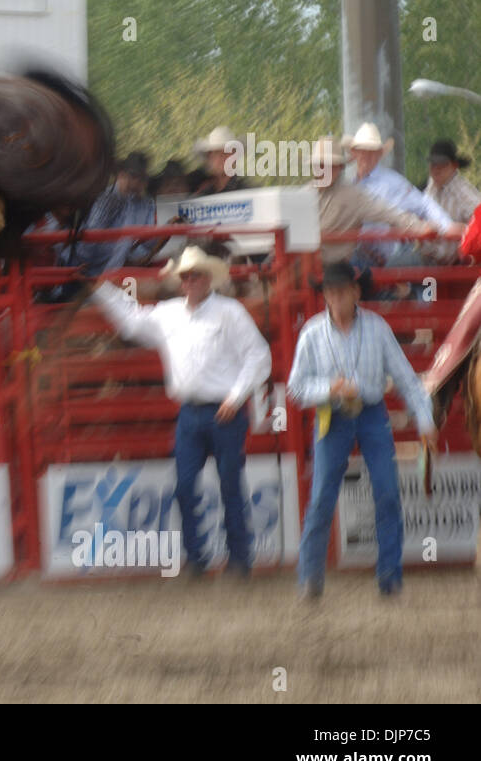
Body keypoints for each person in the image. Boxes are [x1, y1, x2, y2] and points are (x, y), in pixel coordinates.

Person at [90, 246, 272, 577]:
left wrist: (235, 397)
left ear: (208, 279)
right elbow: (132, 322)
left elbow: (258, 355)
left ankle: (239, 559)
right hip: (191, 411)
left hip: (223, 410)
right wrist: (101, 290)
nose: (191, 281)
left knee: (229, 484)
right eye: (186, 276)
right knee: (185, 486)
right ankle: (198, 557)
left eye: (196, 275)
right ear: (181, 281)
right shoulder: (169, 313)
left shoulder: (229, 312)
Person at [288, 261, 438, 599]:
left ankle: (390, 576)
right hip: (333, 413)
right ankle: (309, 578)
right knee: (322, 497)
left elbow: (406, 380)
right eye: (330, 291)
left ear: (356, 293)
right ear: (325, 294)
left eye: (342, 290)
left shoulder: (377, 328)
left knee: (386, 491)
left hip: (370, 412)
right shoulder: (312, 333)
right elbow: (296, 389)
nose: (336, 296)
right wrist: (330, 389)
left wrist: (425, 421)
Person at [310, 137, 433, 264]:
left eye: (330, 165)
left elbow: (388, 213)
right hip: (307, 265)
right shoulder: (305, 194)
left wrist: (419, 226)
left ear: (340, 167)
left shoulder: (354, 195)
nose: (324, 170)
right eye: (320, 165)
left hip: (338, 265)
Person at [62, 151, 158, 278]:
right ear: (121, 175)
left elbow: (148, 241)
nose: (136, 182)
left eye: (141, 178)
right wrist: (82, 268)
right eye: (133, 176)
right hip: (89, 270)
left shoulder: (147, 204)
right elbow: (90, 240)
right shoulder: (106, 200)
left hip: (121, 273)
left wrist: (135, 257)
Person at [423, 139, 478, 224]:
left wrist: (460, 230)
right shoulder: (428, 187)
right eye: (433, 164)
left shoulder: (464, 193)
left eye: (443, 164)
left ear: (454, 166)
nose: (437, 169)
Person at [190, 127, 251, 196]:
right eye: (216, 153)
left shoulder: (246, 191)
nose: (221, 158)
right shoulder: (202, 190)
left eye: (226, 152)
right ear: (209, 158)